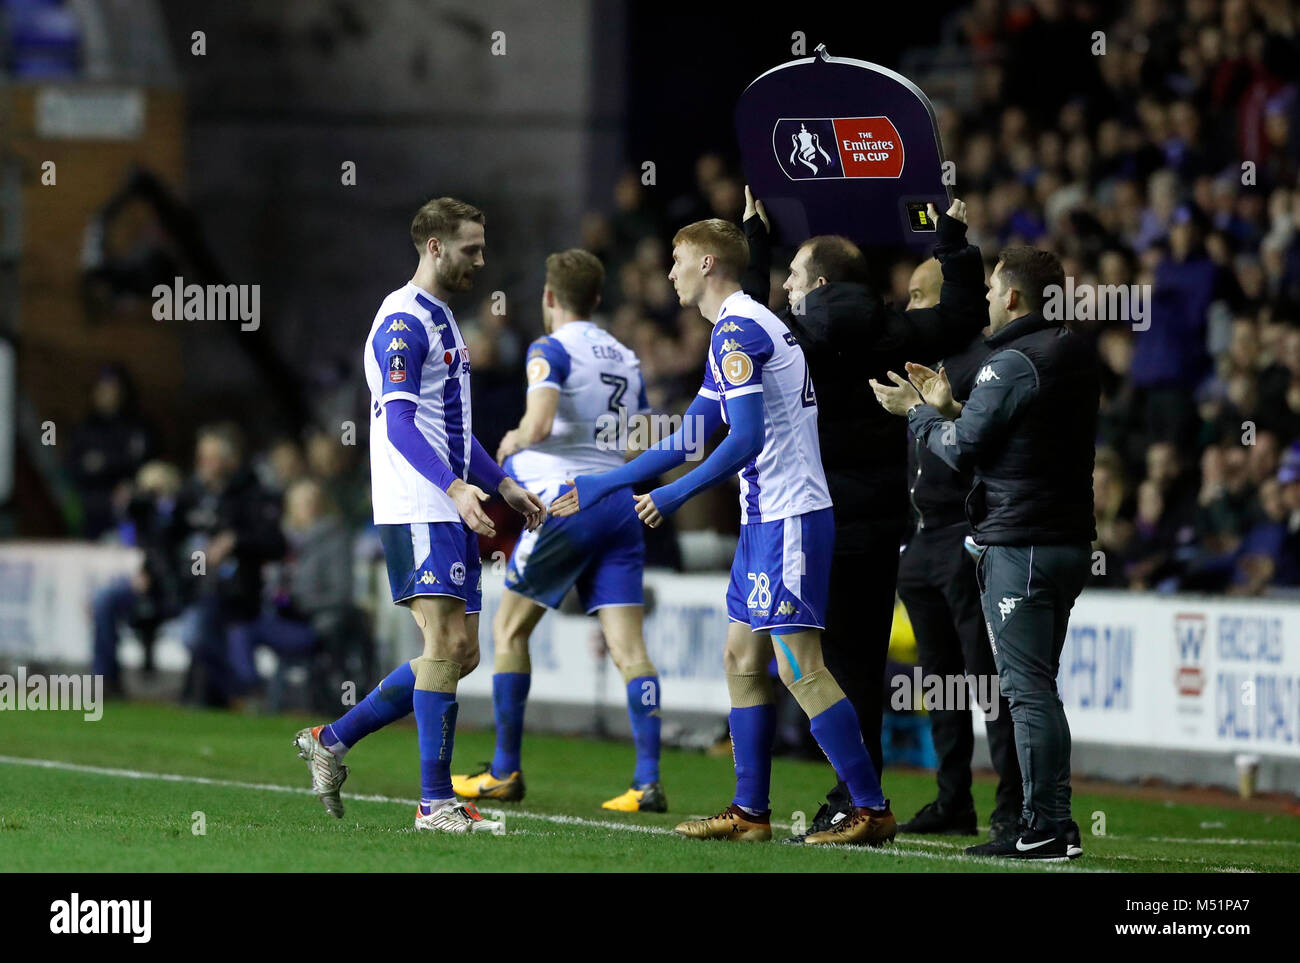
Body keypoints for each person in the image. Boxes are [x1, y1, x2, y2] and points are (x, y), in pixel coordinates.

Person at [552, 218, 894, 846]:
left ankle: (869, 808)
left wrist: (674, 493)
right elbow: (690, 433)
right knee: (742, 659)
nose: (670, 272)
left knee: (799, 667)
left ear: (708, 263)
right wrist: (611, 482)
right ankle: (750, 812)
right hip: (766, 520)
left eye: (678, 259)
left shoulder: (739, 328)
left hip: (790, 517)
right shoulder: (737, 329)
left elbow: (745, 437)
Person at [292, 197, 546, 835]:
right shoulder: (404, 321)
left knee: (460, 654)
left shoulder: (443, 320)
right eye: (470, 249)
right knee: (441, 645)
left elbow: (451, 429)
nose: (480, 261)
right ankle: (435, 803)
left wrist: (501, 485)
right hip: (417, 503)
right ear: (434, 247)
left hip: (448, 500)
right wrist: (458, 489)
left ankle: (332, 737)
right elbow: (401, 425)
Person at [739, 191, 988, 838]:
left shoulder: (788, 336)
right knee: (859, 662)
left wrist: (754, 246)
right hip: (885, 522)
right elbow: (963, 315)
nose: (787, 286)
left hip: (813, 516)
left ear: (817, 283)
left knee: (805, 664)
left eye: (793, 274)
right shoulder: (895, 330)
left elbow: (738, 321)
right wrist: (954, 242)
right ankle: (859, 791)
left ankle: (856, 795)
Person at [871, 246, 1098, 860]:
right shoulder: (1074, 350)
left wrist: (919, 413)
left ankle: (1042, 823)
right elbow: (1014, 435)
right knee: (1036, 687)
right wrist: (949, 407)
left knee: (1023, 691)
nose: (988, 303)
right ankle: (1051, 820)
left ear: (1013, 298)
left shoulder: (1010, 361)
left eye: (994, 292)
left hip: (1019, 542)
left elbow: (964, 451)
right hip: (1068, 538)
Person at [451, 249, 667, 813]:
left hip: (566, 504)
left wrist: (513, 440)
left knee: (509, 630)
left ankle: (504, 770)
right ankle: (647, 781)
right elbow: (638, 442)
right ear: (596, 299)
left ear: (550, 298)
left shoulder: (549, 349)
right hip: (619, 502)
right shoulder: (624, 354)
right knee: (629, 649)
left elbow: (541, 421)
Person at [895, 233, 1024, 842]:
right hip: (922, 539)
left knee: (984, 679)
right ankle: (953, 799)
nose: (908, 310)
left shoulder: (983, 366)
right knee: (937, 678)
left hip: (967, 536)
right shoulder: (932, 367)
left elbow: (982, 451)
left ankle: (1011, 806)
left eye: (918, 298)